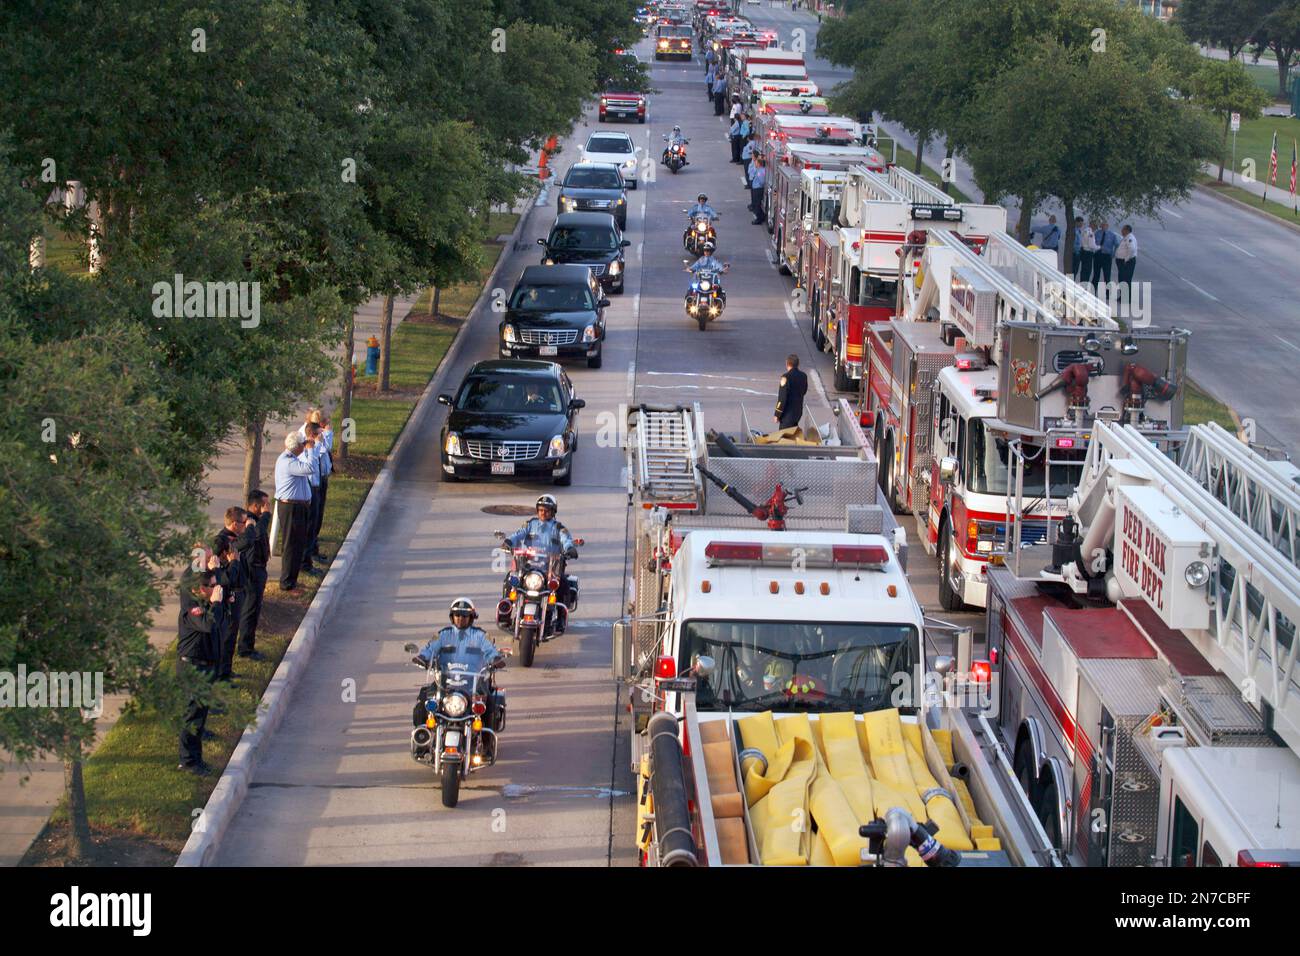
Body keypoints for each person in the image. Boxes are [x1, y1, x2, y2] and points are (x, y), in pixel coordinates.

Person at [411, 599, 507, 729]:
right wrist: (423, 657)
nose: (460, 619)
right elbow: (430, 649)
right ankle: (423, 737)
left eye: (464, 616)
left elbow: (490, 650)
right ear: (452, 617)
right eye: (457, 615)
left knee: (488, 703)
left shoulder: (480, 636)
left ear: (471, 617)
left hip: (474, 681)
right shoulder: (443, 635)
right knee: (425, 698)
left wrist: (495, 659)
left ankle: (486, 738)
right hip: (444, 681)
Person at [177, 568, 221, 774]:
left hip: (206, 666)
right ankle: (188, 761)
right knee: (192, 716)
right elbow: (209, 625)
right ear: (197, 589)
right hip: (193, 668)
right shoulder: (192, 609)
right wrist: (217, 603)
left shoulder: (205, 604)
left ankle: (197, 759)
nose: (215, 588)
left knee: (201, 714)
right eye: (211, 586)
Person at [211, 508, 248, 682]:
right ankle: (221, 673)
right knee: (227, 634)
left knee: (232, 633)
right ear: (234, 524)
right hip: (229, 593)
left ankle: (227, 668)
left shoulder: (235, 541)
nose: (246, 526)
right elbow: (217, 569)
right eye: (243, 523)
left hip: (240, 589)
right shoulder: (220, 541)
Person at [274, 432, 314, 591]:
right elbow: (310, 468)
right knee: (291, 545)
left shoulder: (293, 459)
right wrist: (310, 450)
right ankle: (286, 582)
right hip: (291, 508)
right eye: (303, 444)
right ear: (297, 446)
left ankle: (293, 579)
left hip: (298, 507)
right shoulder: (288, 463)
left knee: (298, 544)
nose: (305, 446)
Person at [236, 490, 270, 661]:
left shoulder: (256, 520)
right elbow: (257, 534)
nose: (267, 508)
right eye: (264, 504)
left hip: (259, 569)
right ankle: (245, 648)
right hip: (252, 571)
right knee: (250, 610)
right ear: (255, 506)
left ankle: (249, 645)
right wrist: (266, 516)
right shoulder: (249, 521)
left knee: (254, 609)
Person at [774, 354, 808, 429]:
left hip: (787, 414)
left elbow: (782, 398)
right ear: (798, 364)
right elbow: (804, 391)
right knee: (793, 435)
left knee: (784, 437)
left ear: (787, 363)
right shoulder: (803, 376)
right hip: (798, 412)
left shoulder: (786, 377)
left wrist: (777, 414)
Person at [1092, 220, 1118, 288]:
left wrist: (1113, 254)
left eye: (1105, 225)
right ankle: (1093, 289)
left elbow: (1117, 244)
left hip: (1106, 256)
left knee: (1107, 275)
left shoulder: (1112, 235)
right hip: (1098, 255)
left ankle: (1108, 292)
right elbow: (1092, 242)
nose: (1103, 226)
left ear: (1108, 226)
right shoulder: (1097, 233)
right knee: (1096, 274)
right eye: (1102, 225)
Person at [1115, 224, 1137, 294]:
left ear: (1127, 230)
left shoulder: (1130, 238)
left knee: (1126, 280)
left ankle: (1126, 298)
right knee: (1122, 279)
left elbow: (1132, 249)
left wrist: (1126, 259)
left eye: (1123, 229)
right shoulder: (1126, 237)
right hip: (1123, 261)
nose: (1121, 231)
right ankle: (1122, 296)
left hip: (1127, 262)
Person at [1078, 218, 1098, 290]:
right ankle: (1084, 286)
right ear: (1093, 225)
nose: (1096, 228)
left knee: (1083, 270)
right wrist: (1099, 247)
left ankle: (1082, 284)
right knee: (1087, 270)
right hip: (1088, 253)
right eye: (1096, 226)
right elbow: (1091, 245)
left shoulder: (1085, 230)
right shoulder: (1090, 233)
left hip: (1083, 251)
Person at [750, 158, 767, 224]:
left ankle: (758, 219)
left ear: (759, 164)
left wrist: (758, 185)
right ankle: (760, 217)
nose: (755, 164)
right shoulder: (759, 170)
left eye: (756, 163)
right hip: (756, 188)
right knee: (757, 203)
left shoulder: (761, 171)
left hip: (758, 189)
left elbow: (762, 181)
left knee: (757, 204)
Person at [1071, 216, 1086, 281]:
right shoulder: (1074, 230)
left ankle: (1072, 282)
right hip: (1075, 252)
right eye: (1080, 223)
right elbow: (1073, 243)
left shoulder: (1079, 230)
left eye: (1082, 223)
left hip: (1078, 252)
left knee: (1075, 270)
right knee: (1073, 270)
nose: (1081, 225)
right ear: (1076, 222)